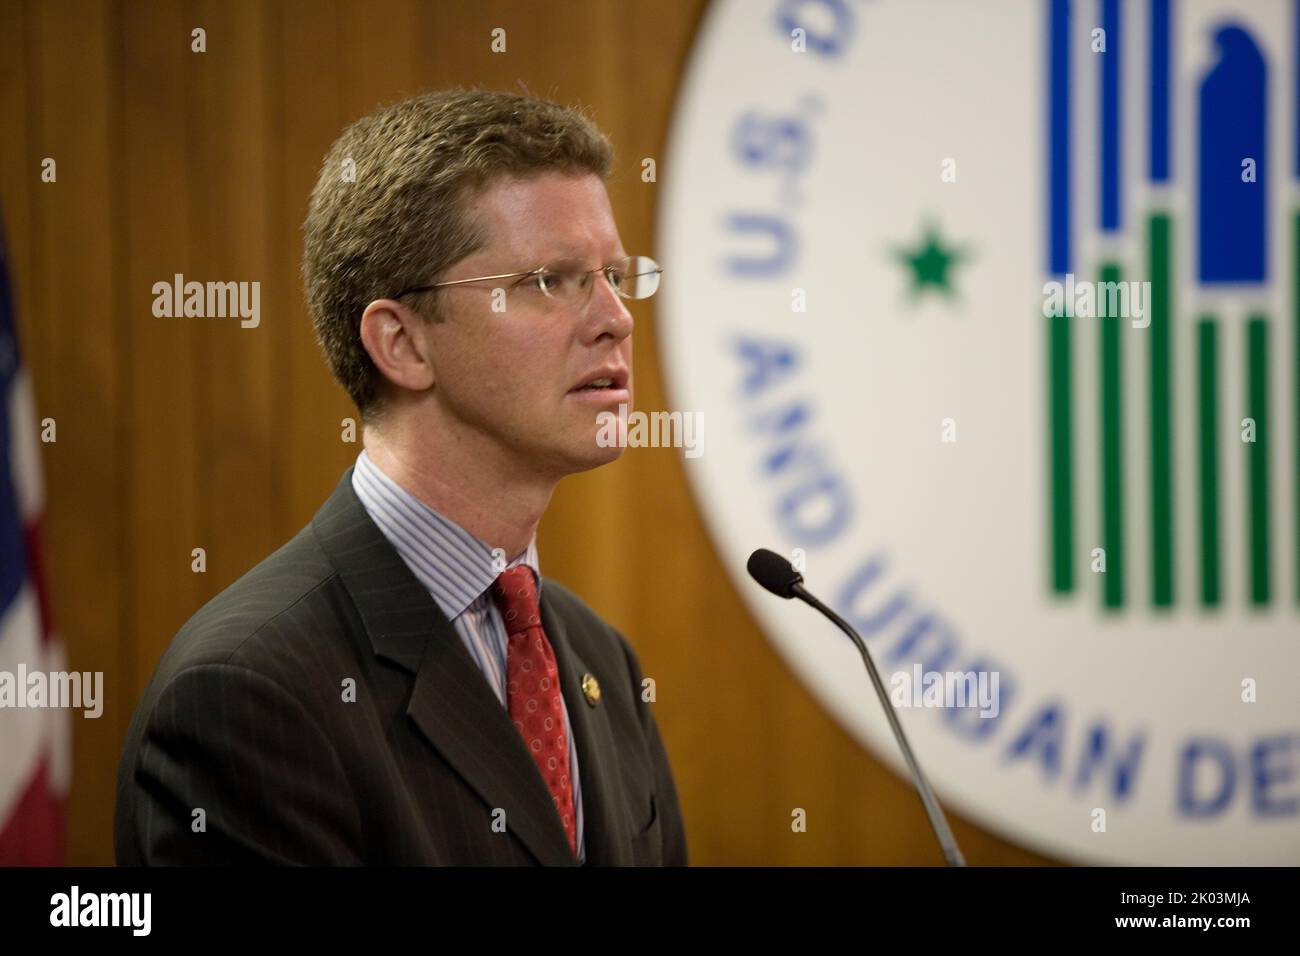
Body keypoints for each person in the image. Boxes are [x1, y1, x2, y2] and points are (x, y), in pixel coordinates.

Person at [114, 88, 687, 866]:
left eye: (617, 275)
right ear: (402, 344)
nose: (615, 316)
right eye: (550, 280)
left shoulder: (599, 661)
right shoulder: (246, 694)